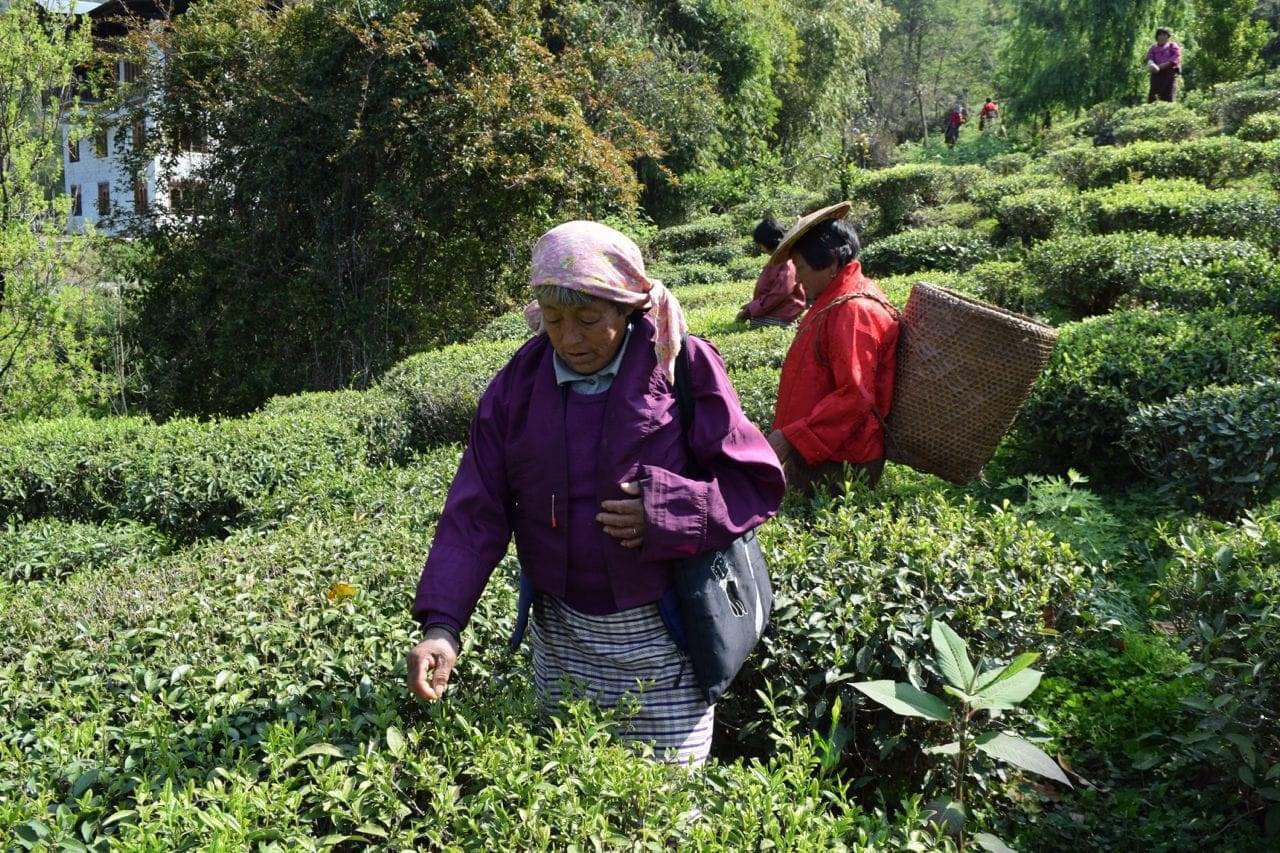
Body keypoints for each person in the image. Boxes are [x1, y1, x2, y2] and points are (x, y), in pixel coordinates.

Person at [406, 220, 786, 766]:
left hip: (662, 633)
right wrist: (442, 626)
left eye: (588, 320)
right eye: (554, 321)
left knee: (663, 799)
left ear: (626, 307)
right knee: (576, 778)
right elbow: (477, 507)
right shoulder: (519, 381)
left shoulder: (682, 364)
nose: (569, 339)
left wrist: (669, 510)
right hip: (561, 634)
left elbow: (754, 479)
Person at [765, 204, 899, 497]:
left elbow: (854, 396)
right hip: (822, 453)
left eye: (800, 268)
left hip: (842, 461)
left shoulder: (853, 310)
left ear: (830, 261)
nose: (797, 280)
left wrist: (791, 436)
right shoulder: (836, 299)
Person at [735, 218, 806, 329]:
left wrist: (752, 308)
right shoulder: (776, 260)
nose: (761, 248)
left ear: (768, 242)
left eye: (761, 244)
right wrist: (750, 310)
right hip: (769, 314)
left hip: (782, 316)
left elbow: (780, 293)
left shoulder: (787, 262)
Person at [1146, 27, 1182, 103]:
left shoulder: (1172, 46)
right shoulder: (1153, 48)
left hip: (1168, 75)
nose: (1162, 37)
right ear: (1157, 37)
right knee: (1154, 97)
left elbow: (1176, 56)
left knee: (1168, 97)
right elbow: (1149, 58)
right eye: (1160, 35)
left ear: (1168, 36)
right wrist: (1152, 64)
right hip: (1156, 76)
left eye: (1164, 35)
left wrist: (1161, 66)